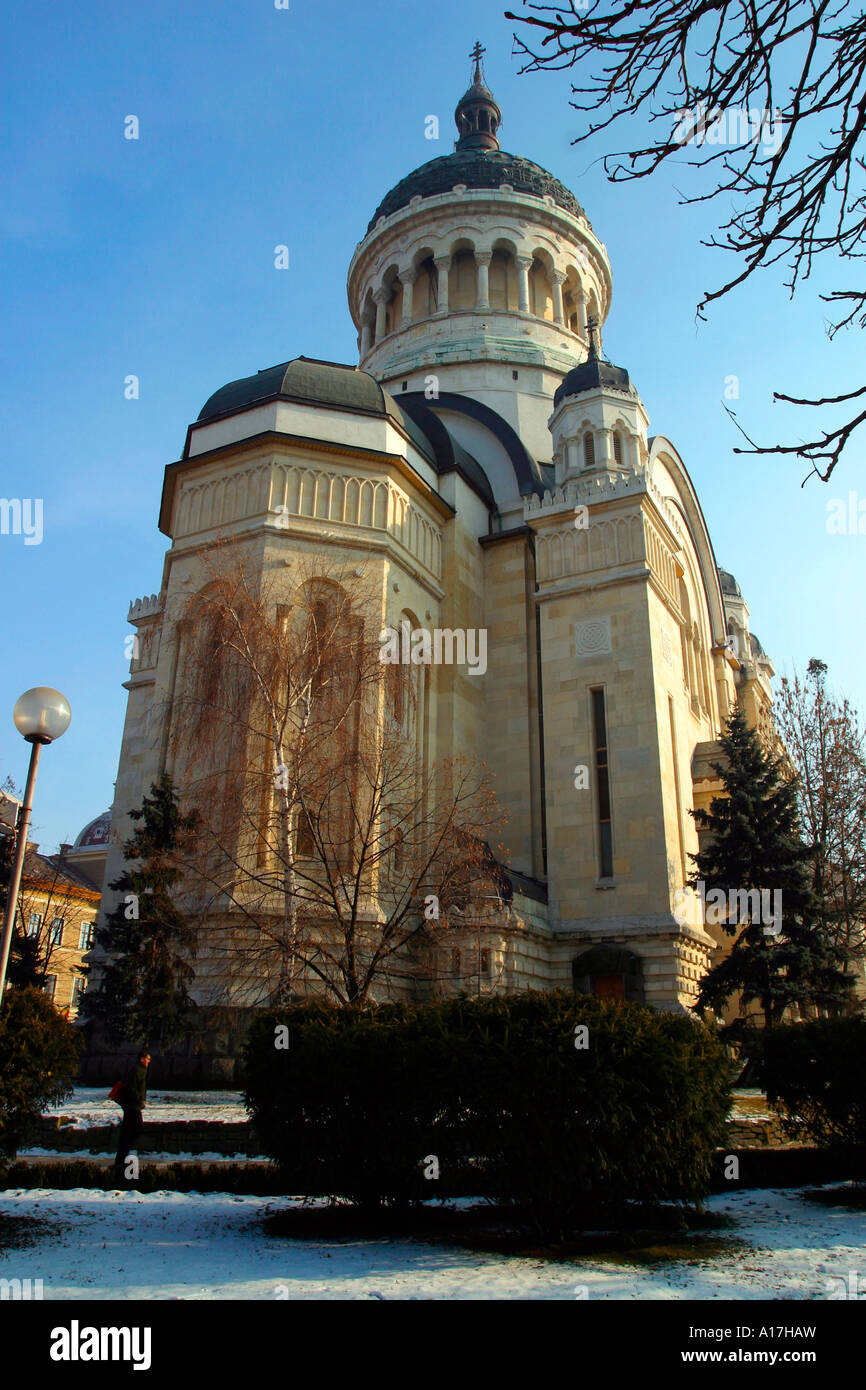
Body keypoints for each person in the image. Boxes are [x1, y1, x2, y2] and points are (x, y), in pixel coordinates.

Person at [114, 1048, 150, 1177]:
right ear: (142, 1059)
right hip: (132, 1105)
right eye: (147, 1059)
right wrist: (140, 1100)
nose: (149, 1061)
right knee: (136, 1129)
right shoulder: (137, 1071)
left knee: (128, 1131)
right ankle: (123, 1156)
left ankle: (121, 1158)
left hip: (131, 1105)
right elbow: (133, 1088)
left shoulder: (139, 1070)